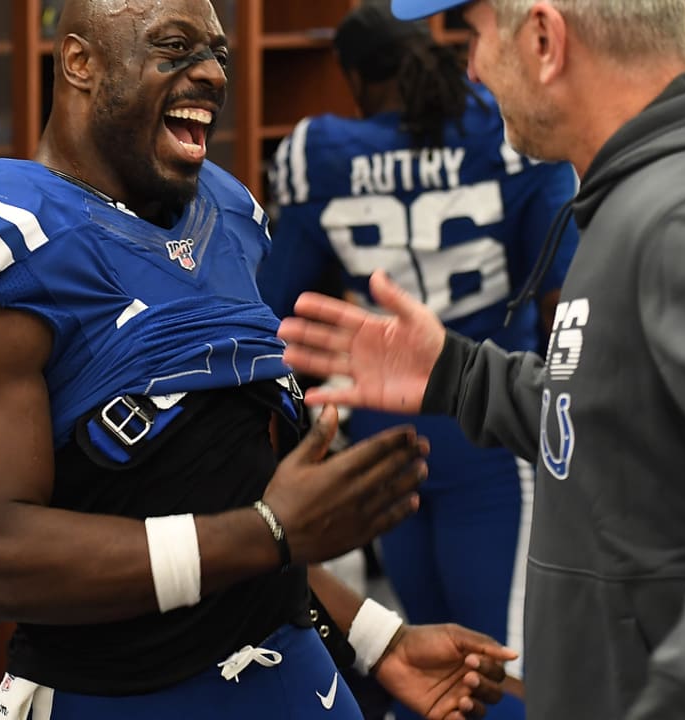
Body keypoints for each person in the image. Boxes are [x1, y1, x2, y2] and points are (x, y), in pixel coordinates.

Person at [0, 0, 518, 718]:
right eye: (173, 48)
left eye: (216, 53)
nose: (209, 72)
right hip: (124, 697)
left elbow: (239, 508)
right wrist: (268, 531)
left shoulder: (227, 214)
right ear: (80, 61)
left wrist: (377, 638)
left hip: (295, 674)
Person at [277, 0, 685, 718]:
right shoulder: (637, 193)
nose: (472, 66)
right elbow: (621, 409)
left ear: (546, 40)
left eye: (477, 36)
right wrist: (459, 375)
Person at [259, 6, 579, 719]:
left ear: (353, 77)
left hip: (385, 439)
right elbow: (564, 298)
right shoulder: (504, 136)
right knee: (499, 673)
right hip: (494, 435)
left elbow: (278, 305)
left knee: (427, 671)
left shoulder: (319, 152)